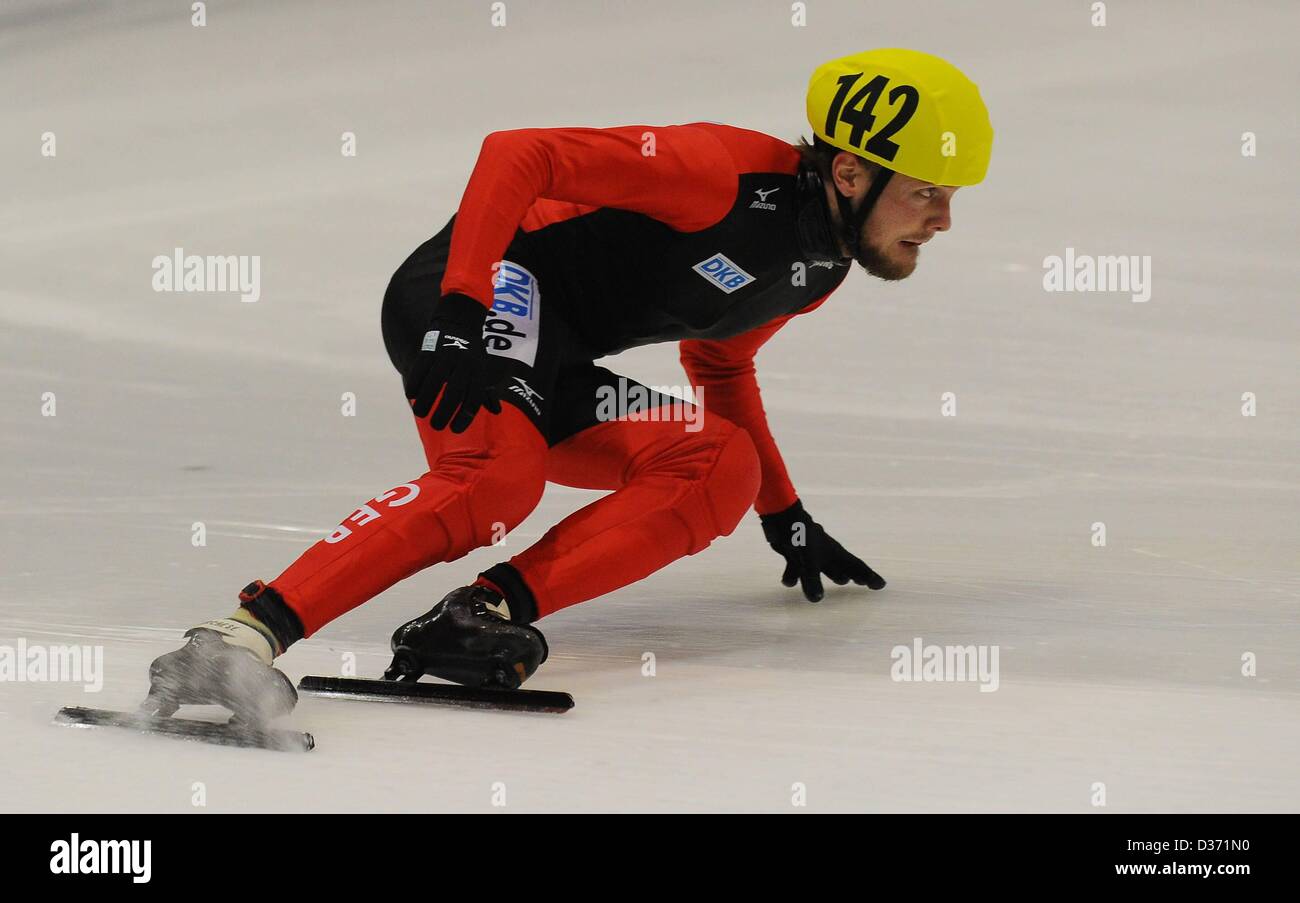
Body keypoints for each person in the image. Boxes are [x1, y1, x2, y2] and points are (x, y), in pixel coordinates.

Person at [144, 48, 994, 722]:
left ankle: (478, 614)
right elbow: (522, 154)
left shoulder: (819, 266)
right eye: (926, 193)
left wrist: (783, 511)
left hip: (555, 360)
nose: (944, 220)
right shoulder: (717, 172)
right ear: (851, 173)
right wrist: (462, 306)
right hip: (485, 292)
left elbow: (722, 362)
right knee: (495, 481)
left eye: (949, 196)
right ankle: (237, 636)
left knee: (718, 463)